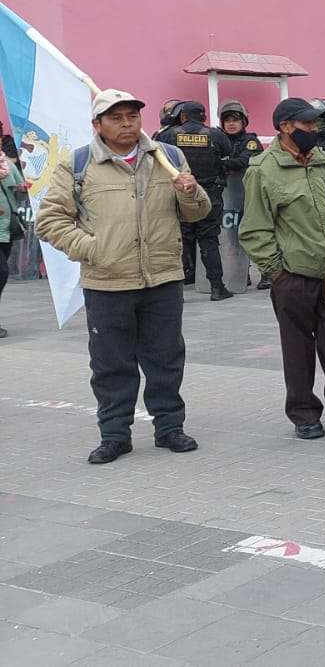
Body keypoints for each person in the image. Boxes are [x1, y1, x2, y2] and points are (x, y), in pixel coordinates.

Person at [34, 90, 211, 463]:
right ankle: (114, 435)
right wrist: (94, 249)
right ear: (97, 125)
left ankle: (169, 428)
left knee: (166, 358)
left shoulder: (168, 157)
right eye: (116, 117)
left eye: (132, 115)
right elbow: (49, 221)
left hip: (162, 278)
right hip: (107, 283)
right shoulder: (78, 164)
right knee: (111, 364)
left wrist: (191, 192)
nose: (127, 123)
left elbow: (196, 214)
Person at [240, 97, 325, 440]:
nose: (314, 129)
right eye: (307, 124)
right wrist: (277, 272)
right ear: (285, 127)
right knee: (297, 348)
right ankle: (304, 413)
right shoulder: (262, 170)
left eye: (316, 123)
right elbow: (255, 228)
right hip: (293, 276)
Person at [155, 101, 234, 300]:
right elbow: (228, 152)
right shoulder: (215, 135)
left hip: (181, 194)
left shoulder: (168, 134)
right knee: (209, 240)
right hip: (209, 194)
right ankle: (217, 287)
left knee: (180, 241)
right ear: (204, 117)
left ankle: (177, 292)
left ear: (182, 116)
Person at [218, 99, 268, 289]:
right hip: (228, 197)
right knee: (231, 236)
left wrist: (222, 162)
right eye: (227, 120)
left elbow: (243, 161)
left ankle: (266, 273)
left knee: (255, 234)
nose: (231, 124)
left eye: (235, 120)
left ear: (243, 122)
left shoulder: (251, 142)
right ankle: (240, 273)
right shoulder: (219, 140)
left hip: (250, 195)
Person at [0, 152, 18, 339]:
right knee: (1, 272)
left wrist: (21, 189)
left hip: (5, 229)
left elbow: (19, 196)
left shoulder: (7, 165)